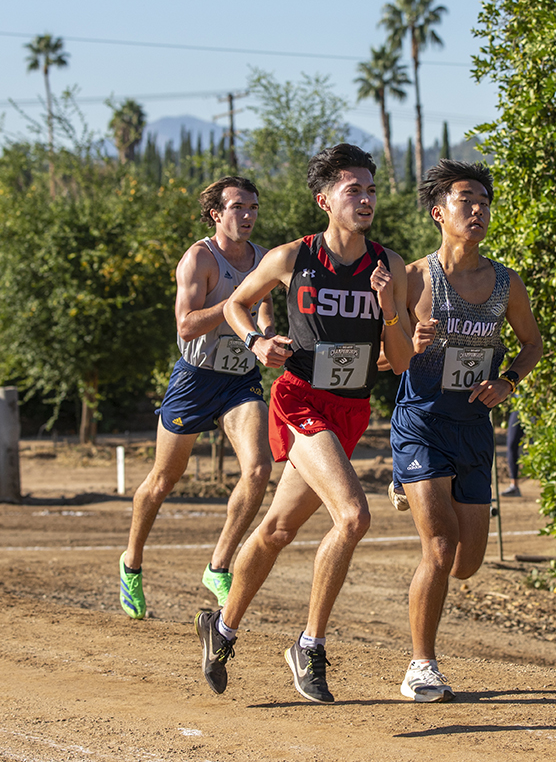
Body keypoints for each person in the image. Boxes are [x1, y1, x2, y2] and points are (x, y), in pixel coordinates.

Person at [194, 144, 414, 704]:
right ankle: (309, 645)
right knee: (354, 515)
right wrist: (255, 340)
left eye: (370, 190)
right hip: (299, 401)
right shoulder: (294, 257)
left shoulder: (388, 265)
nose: (365, 200)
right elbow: (235, 305)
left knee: (277, 530)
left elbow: (401, 360)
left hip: (352, 409)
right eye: (353, 190)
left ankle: (222, 627)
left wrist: (389, 307)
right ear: (325, 201)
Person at [387, 159, 542, 702]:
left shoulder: (505, 282)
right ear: (439, 212)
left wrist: (508, 381)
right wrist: (410, 344)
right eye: (465, 201)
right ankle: (421, 666)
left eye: (484, 202)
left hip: (474, 427)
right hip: (421, 422)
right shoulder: (413, 278)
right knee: (439, 547)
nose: (477, 210)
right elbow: (384, 360)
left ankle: (410, 487)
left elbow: (532, 345)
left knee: (465, 565)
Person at [118, 176, 275, 619]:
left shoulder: (264, 258)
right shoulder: (199, 258)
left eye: (253, 208)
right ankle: (131, 562)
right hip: (195, 378)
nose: (247, 215)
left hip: (239, 379)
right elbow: (185, 326)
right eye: (238, 207)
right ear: (216, 214)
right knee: (163, 480)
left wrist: (265, 337)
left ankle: (218, 566)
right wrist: (232, 306)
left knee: (259, 469)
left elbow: (264, 307)